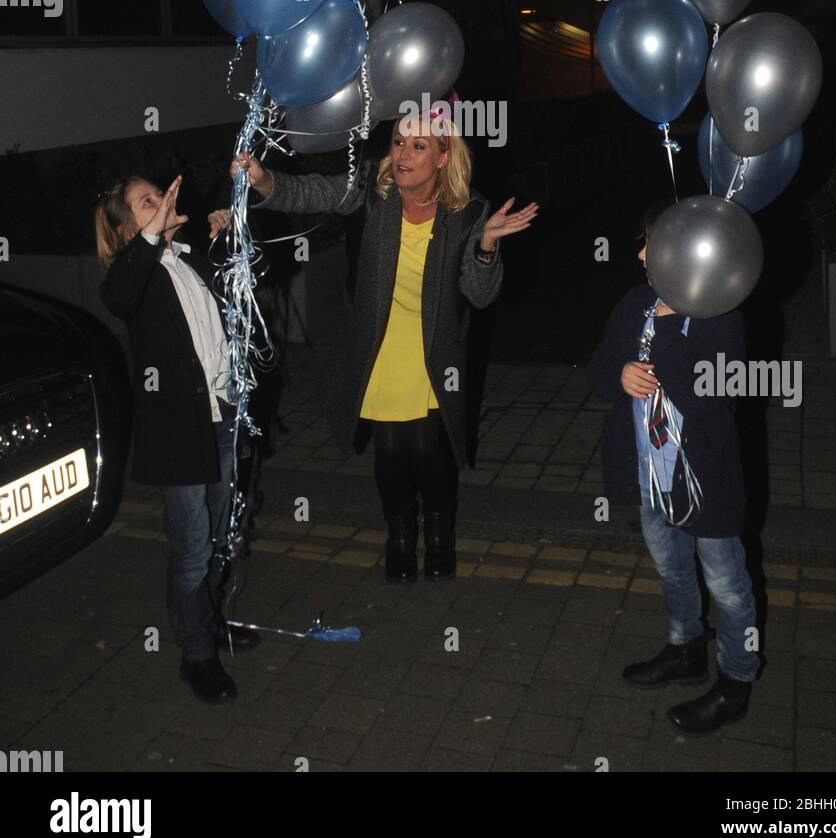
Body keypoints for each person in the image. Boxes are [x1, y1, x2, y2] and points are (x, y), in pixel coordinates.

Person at [227, 99, 539, 582]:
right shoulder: (373, 190)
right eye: (398, 142)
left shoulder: (470, 211)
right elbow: (314, 193)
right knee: (390, 451)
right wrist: (264, 180)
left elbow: (479, 297)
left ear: (443, 156)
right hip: (378, 346)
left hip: (433, 352)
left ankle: (438, 532)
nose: (404, 154)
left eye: (419, 145)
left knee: (429, 452)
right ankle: (398, 533)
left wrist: (486, 245)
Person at [587, 200, 759, 733]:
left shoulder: (720, 318)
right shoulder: (634, 304)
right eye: (643, 244)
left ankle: (736, 679)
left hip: (705, 483)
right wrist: (619, 373)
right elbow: (596, 374)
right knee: (671, 569)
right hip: (649, 474)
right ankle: (684, 650)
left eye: (652, 245)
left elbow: (711, 399)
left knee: (727, 583)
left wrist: (664, 336)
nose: (641, 255)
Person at [96, 173, 259, 707]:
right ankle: (197, 656)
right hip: (178, 434)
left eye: (161, 196)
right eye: (147, 202)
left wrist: (228, 236)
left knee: (221, 538)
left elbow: (241, 290)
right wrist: (149, 242)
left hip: (222, 418)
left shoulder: (188, 260)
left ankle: (209, 624)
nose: (164, 202)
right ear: (127, 230)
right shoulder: (131, 277)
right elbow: (118, 296)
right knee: (192, 551)